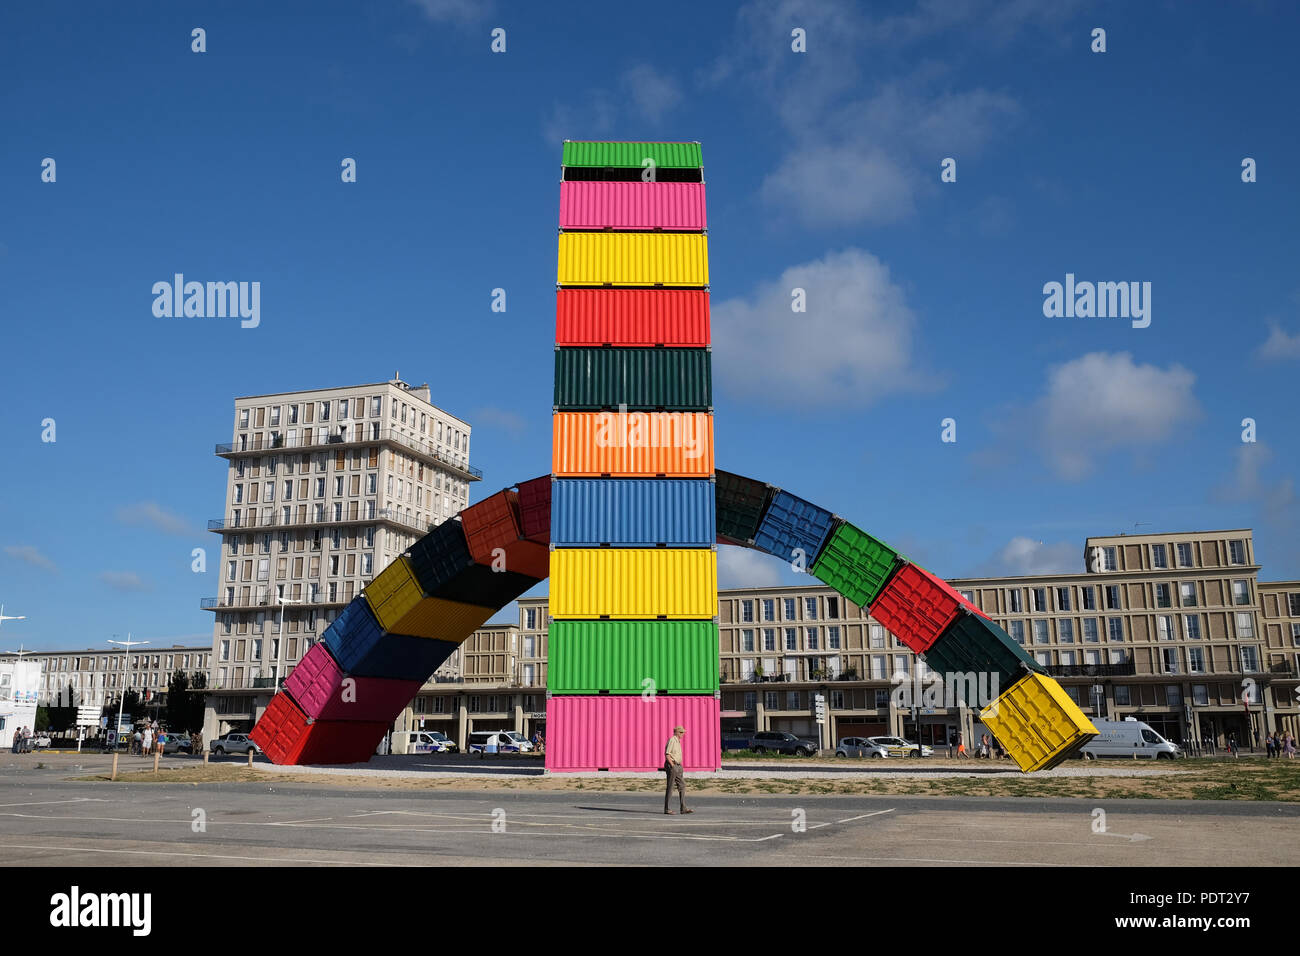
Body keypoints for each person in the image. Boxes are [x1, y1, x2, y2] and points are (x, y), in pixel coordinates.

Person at [663, 725, 692, 815]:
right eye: (681, 732)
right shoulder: (672, 740)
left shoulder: (678, 741)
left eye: (683, 732)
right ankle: (667, 809)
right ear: (677, 732)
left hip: (678, 766)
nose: (683, 734)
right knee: (670, 787)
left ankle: (683, 808)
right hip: (672, 765)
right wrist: (673, 766)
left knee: (682, 785)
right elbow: (667, 754)